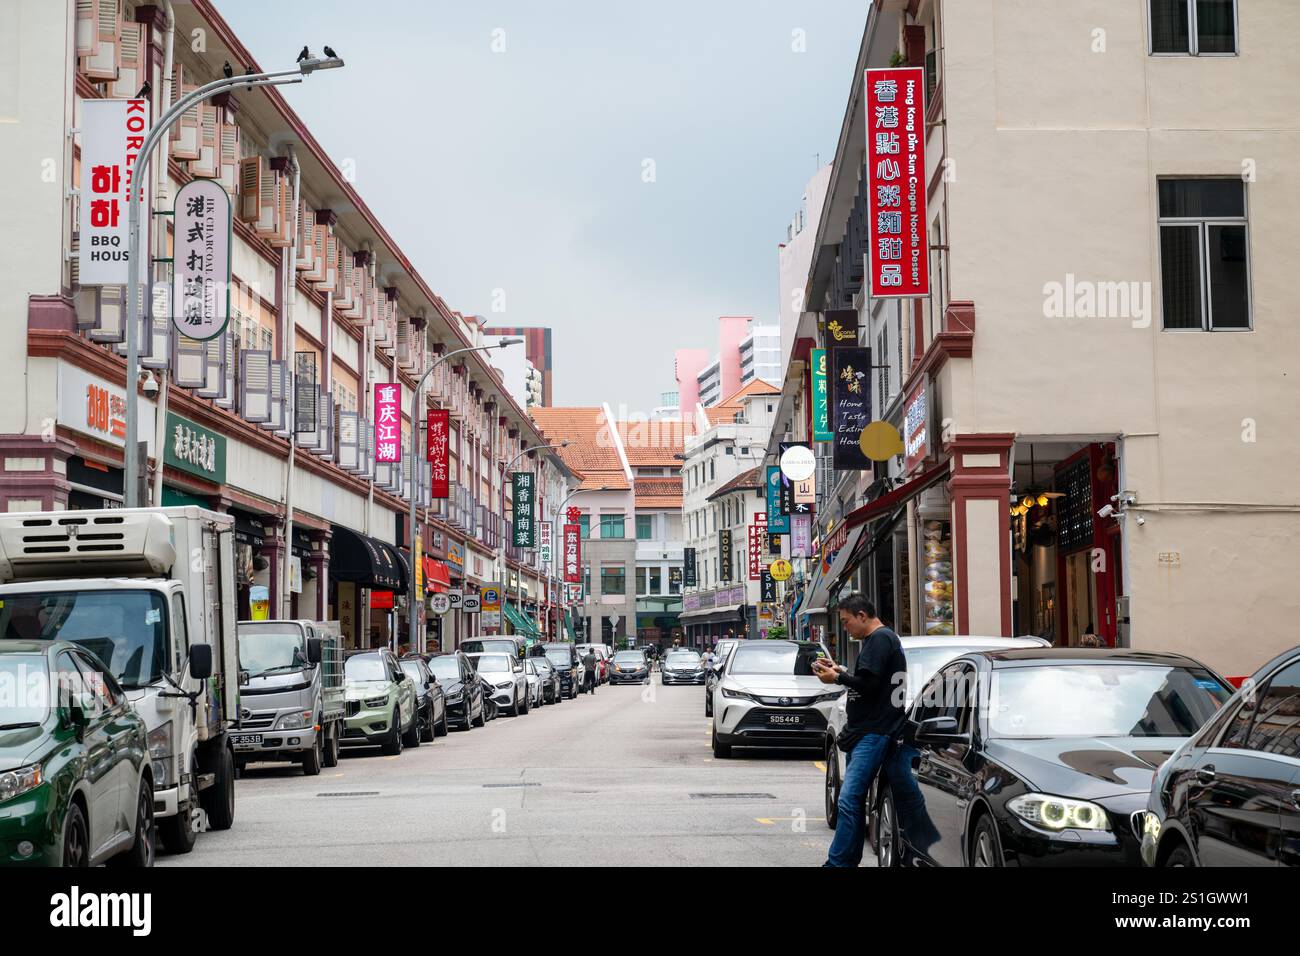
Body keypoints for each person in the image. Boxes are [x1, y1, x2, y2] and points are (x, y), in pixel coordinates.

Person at [813, 594, 911, 868]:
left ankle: (839, 863)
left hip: (874, 732)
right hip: (867, 731)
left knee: (849, 797)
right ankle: (845, 859)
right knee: (852, 799)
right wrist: (840, 670)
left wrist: (837, 677)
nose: (845, 628)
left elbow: (868, 686)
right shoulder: (880, 640)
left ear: (862, 616)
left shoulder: (880, 640)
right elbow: (870, 683)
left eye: (846, 622)